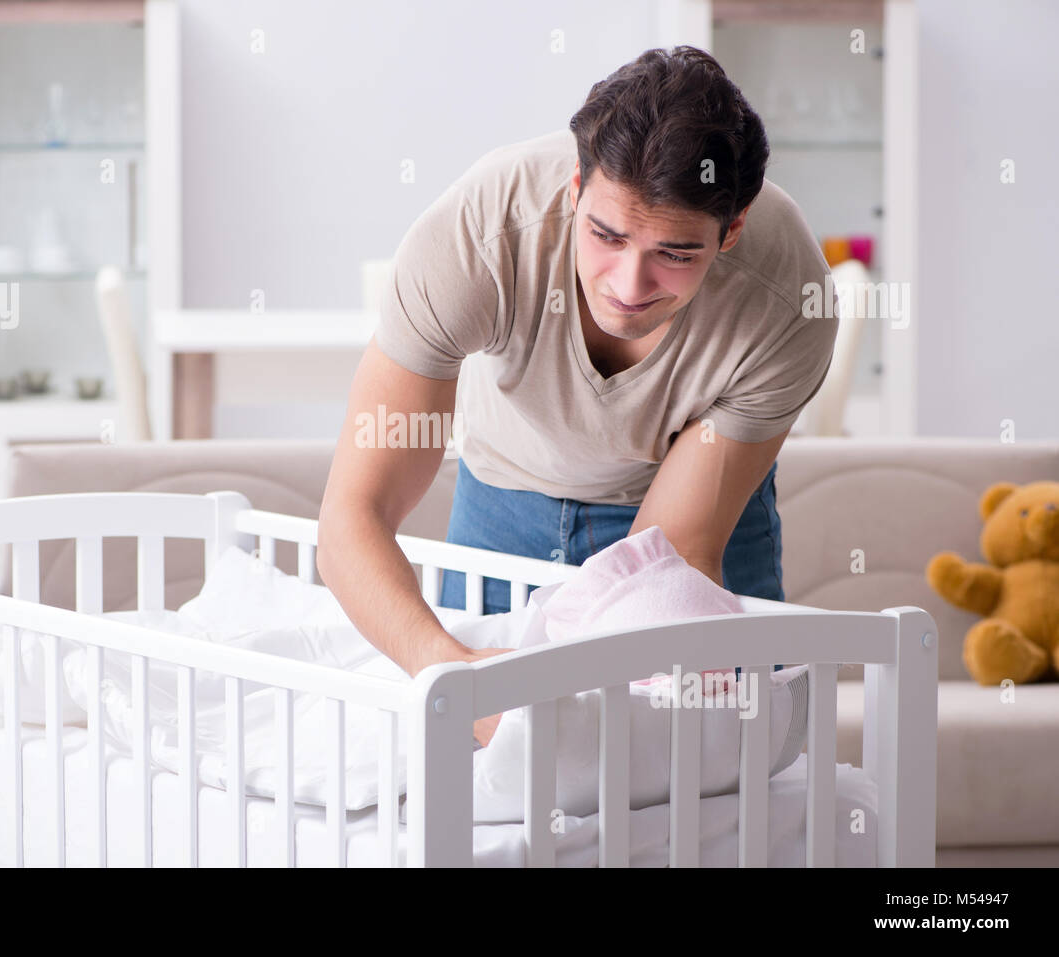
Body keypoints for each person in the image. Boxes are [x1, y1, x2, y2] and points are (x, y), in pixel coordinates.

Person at [316, 47, 838, 745]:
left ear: (732, 231)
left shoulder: (786, 297)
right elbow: (353, 513)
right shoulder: (479, 235)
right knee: (484, 789)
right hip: (504, 504)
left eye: (675, 254)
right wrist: (451, 675)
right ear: (574, 188)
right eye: (606, 235)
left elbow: (674, 548)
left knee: (716, 778)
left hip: (681, 530)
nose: (628, 284)